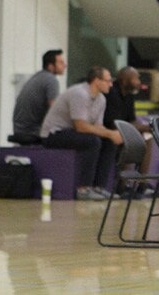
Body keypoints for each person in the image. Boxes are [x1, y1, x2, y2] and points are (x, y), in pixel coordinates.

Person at [40, 66, 122, 201]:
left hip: (72, 132)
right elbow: (81, 126)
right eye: (108, 81)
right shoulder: (79, 93)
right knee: (92, 141)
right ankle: (83, 189)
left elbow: (98, 127)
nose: (111, 84)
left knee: (108, 142)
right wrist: (110, 133)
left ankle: (99, 187)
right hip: (54, 134)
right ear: (96, 81)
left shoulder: (101, 99)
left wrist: (111, 135)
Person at [104, 66, 153, 176]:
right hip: (109, 130)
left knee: (147, 137)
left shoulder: (129, 95)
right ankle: (122, 184)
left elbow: (132, 120)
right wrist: (143, 127)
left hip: (123, 130)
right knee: (127, 141)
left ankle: (142, 183)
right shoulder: (111, 92)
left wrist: (144, 128)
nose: (139, 82)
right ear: (125, 79)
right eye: (136, 79)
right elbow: (114, 123)